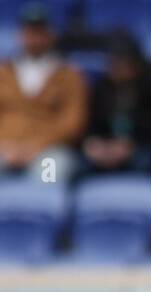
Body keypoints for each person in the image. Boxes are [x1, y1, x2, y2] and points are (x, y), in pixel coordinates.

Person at [0, 3, 86, 178]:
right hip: (5, 147)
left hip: (50, 151)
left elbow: (73, 123)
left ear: (51, 35)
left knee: (50, 175)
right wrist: (6, 146)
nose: (34, 38)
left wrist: (37, 146)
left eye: (40, 32)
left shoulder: (68, 75)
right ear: (20, 35)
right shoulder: (4, 72)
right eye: (30, 32)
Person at [82, 34, 151, 179]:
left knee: (145, 161)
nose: (118, 69)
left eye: (123, 63)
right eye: (114, 63)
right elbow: (92, 124)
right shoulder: (101, 88)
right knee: (82, 163)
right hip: (108, 148)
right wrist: (95, 143)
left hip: (147, 147)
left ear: (137, 64)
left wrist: (129, 145)